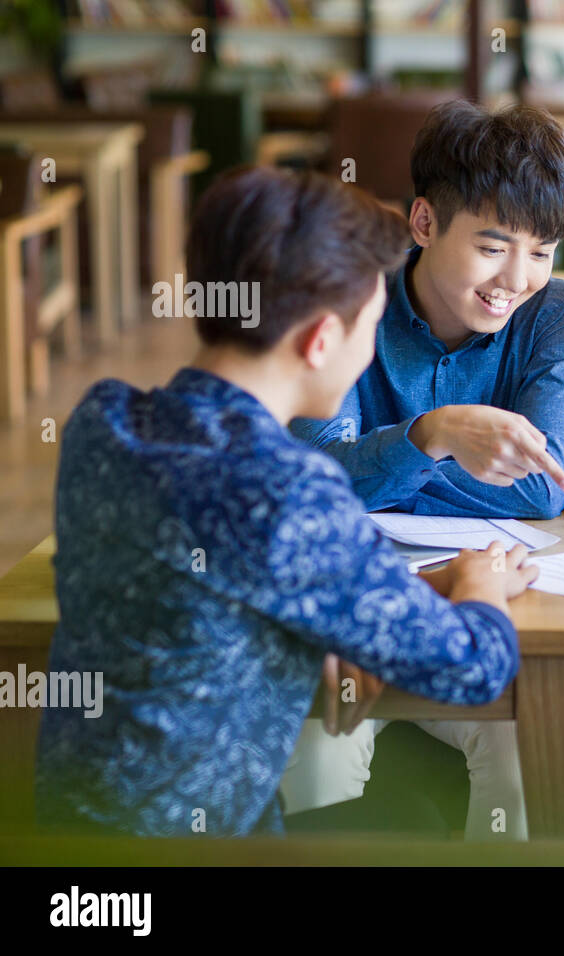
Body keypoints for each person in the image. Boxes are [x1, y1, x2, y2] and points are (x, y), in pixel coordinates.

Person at [36, 166, 536, 837]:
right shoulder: (287, 490)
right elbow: (476, 667)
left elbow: (207, 586)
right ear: (321, 340)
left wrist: (322, 621)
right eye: (371, 325)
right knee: (415, 824)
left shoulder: (102, 424)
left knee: (404, 814)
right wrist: (480, 580)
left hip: (69, 860)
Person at [281, 100, 564, 840]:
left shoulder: (557, 313)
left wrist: (382, 460)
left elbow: (543, 487)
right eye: (493, 247)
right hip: (352, 611)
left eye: (541, 250)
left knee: (526, 757)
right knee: (314, 753)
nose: (517, 278)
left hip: (493, 607)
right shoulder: (354, 294)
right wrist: (430, 436)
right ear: (424, 224)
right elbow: (315, 482)